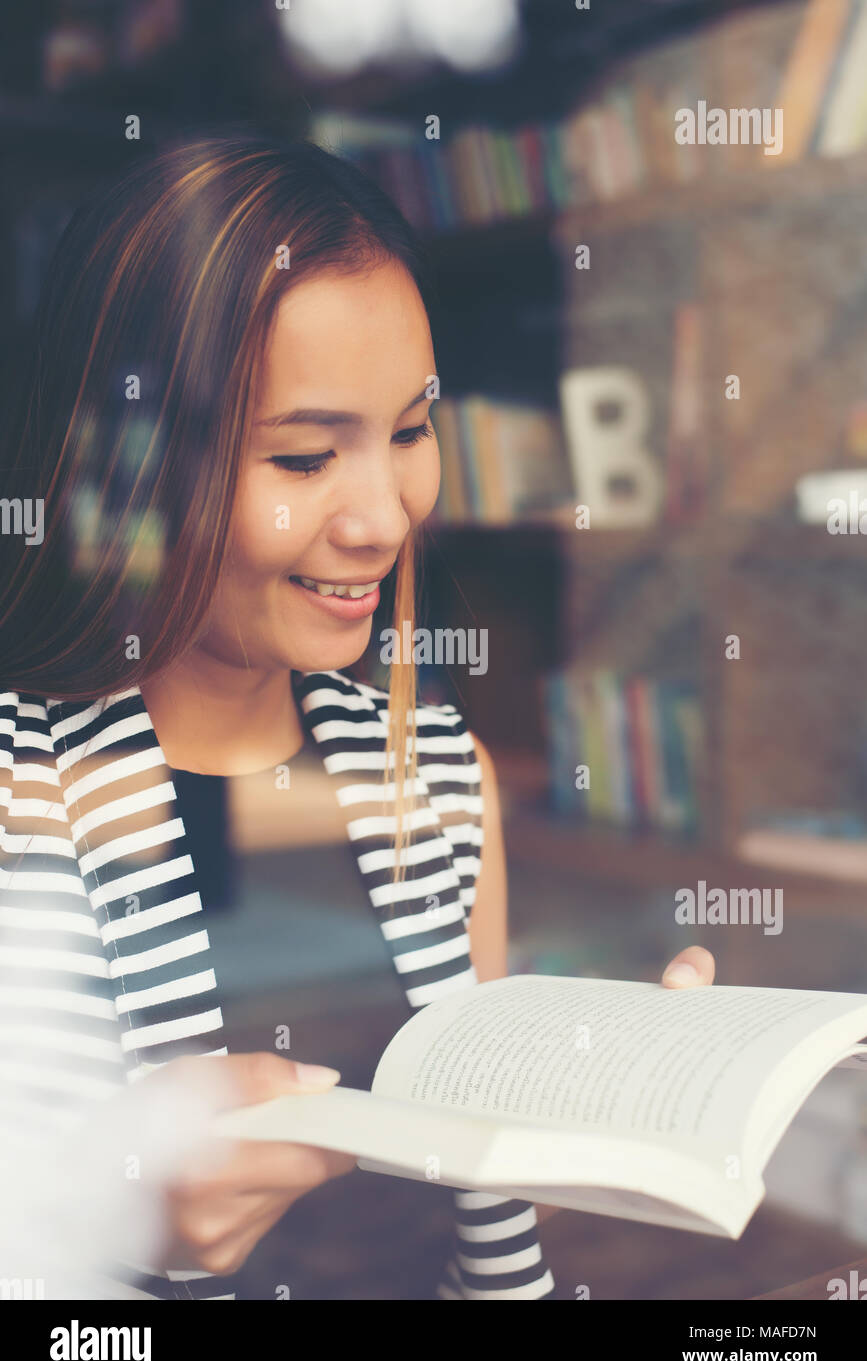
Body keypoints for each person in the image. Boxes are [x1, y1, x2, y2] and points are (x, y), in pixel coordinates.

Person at [0, 130, 715, 1300]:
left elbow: (474, 1209)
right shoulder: (20, 798)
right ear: (130, 463)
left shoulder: (435, 770)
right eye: (301, 458)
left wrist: (601, 1096)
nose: (384, 517)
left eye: (410, 433)